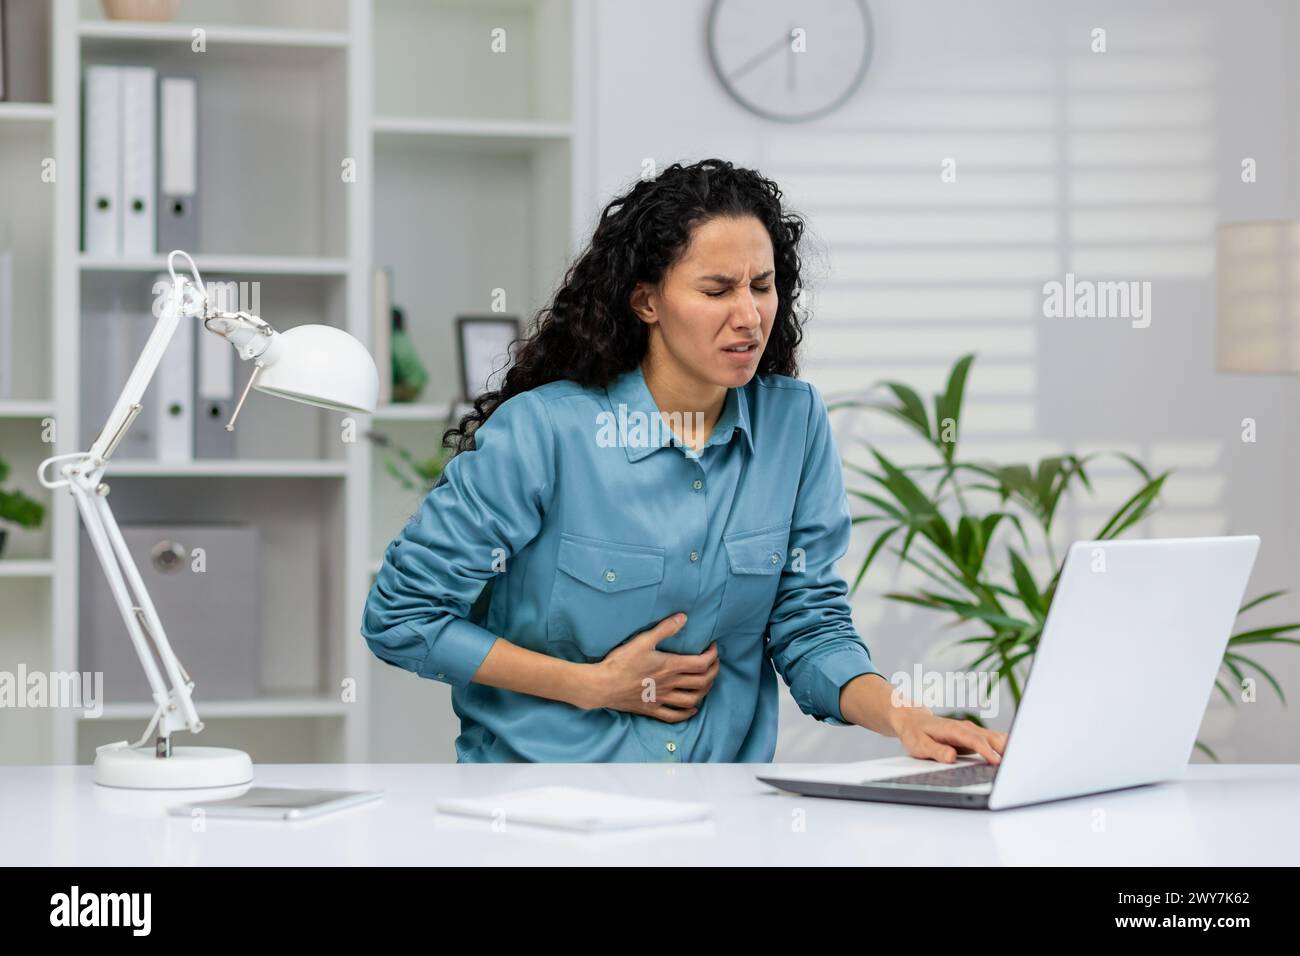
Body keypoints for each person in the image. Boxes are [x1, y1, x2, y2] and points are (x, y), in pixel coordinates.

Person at [362, 158, 1007, 765]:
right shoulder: (543, 433)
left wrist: (903, 716)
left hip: (723, 809)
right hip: (544, 801)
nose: (749, 316)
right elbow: (401, 616)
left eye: (762, 286)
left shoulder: (794, 423)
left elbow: (809, 623)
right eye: (717, 290)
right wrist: (590, 685)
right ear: (647, 302)